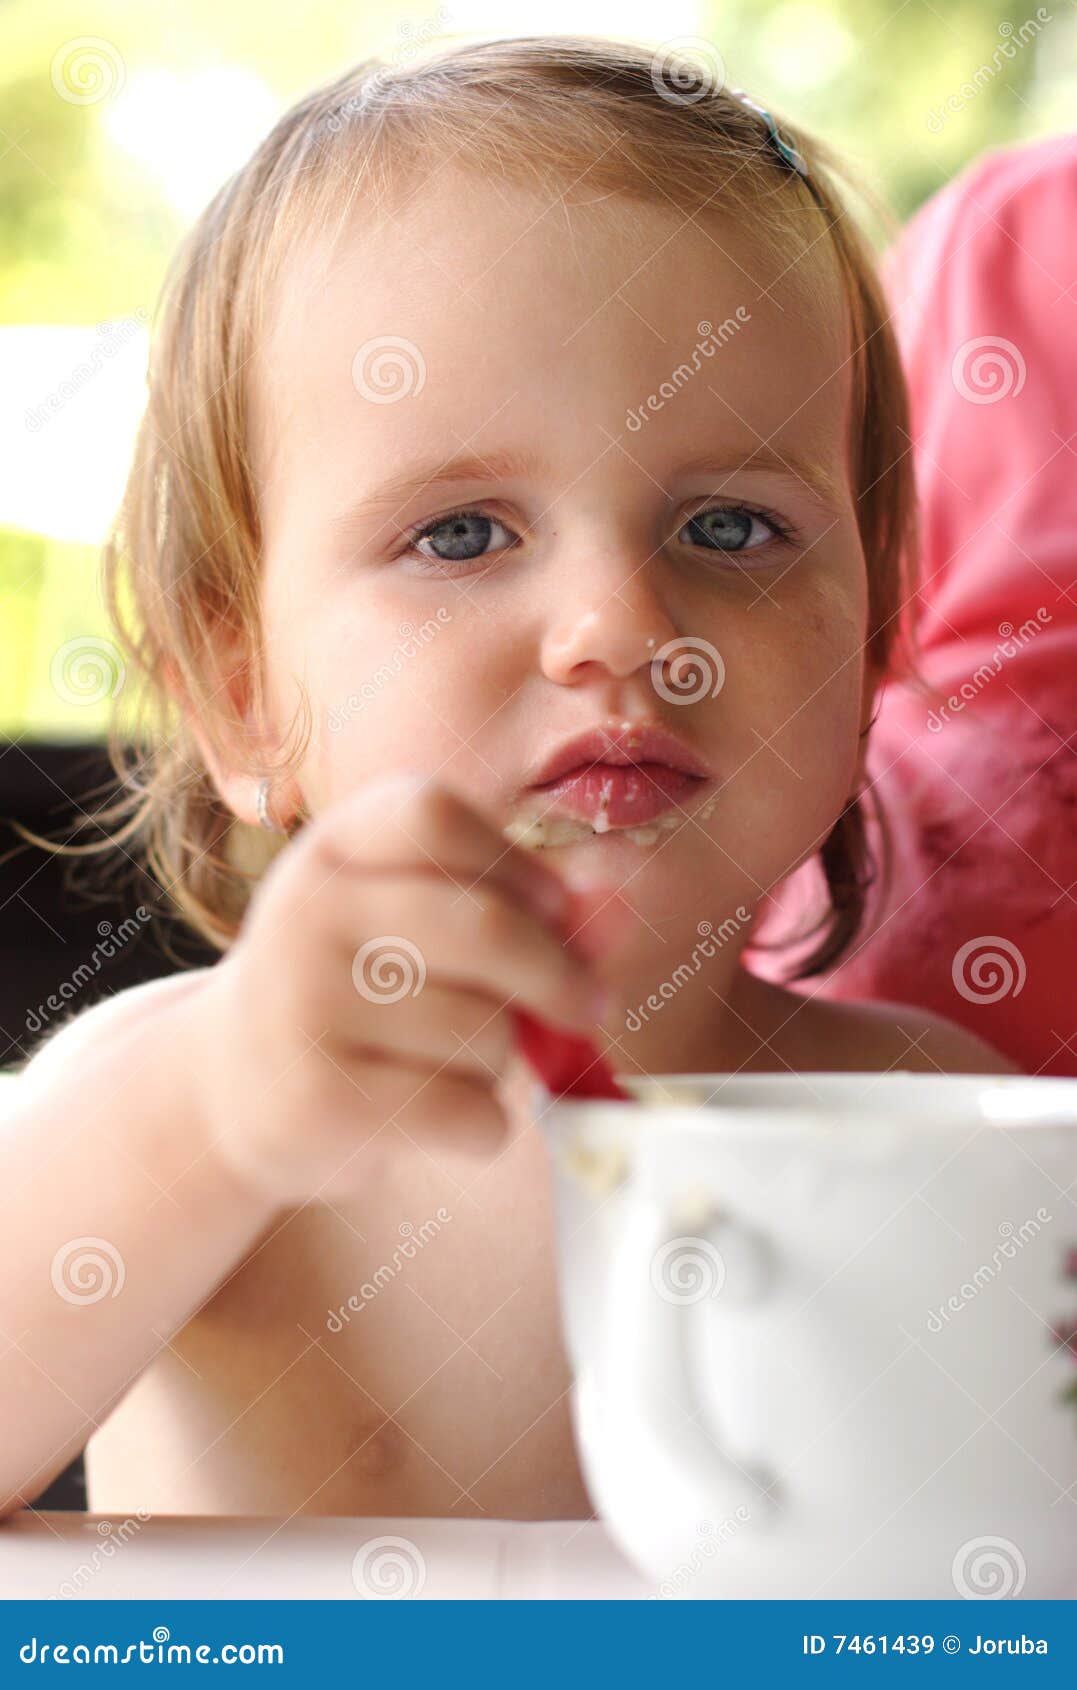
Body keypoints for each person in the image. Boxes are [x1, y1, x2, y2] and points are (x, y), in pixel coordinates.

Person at [1, 35, 1014, 1523]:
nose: (619, 630)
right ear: (240, 692)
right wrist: (218, 1115)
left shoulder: (935, 1124)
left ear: (867, 650)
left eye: (730, 528)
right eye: (462, 535)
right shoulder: (166, 1107)